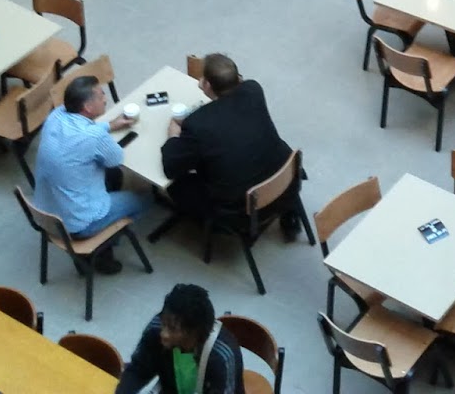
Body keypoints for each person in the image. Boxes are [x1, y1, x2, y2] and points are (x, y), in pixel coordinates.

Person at [160, 53, 301, 237]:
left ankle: (212, 227)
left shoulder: (198, 124)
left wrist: (173, 135)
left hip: (242, 211)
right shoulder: (253, 90)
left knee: (176, 186)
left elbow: (171, 167)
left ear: (206, 85)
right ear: (238, 78)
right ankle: (290, 217)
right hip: (286, 182)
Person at [33, 75, 149, 268]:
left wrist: (109, 125)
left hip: (47, 211)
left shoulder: (56, 115)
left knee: (114, 177)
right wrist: (103, 133)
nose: (105, 98)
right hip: (79, 222)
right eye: (101, 95)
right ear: (87, 107)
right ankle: (104, 246)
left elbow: (81, 131)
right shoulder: (93, 136)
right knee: (145, 199)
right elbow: (115, 159)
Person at [115, 283, 243, 394]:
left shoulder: (221, 356)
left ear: (194, 332)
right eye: (164, 323)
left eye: (172, 328)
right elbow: (138, 371)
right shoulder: (156, 329)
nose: (163, 333)